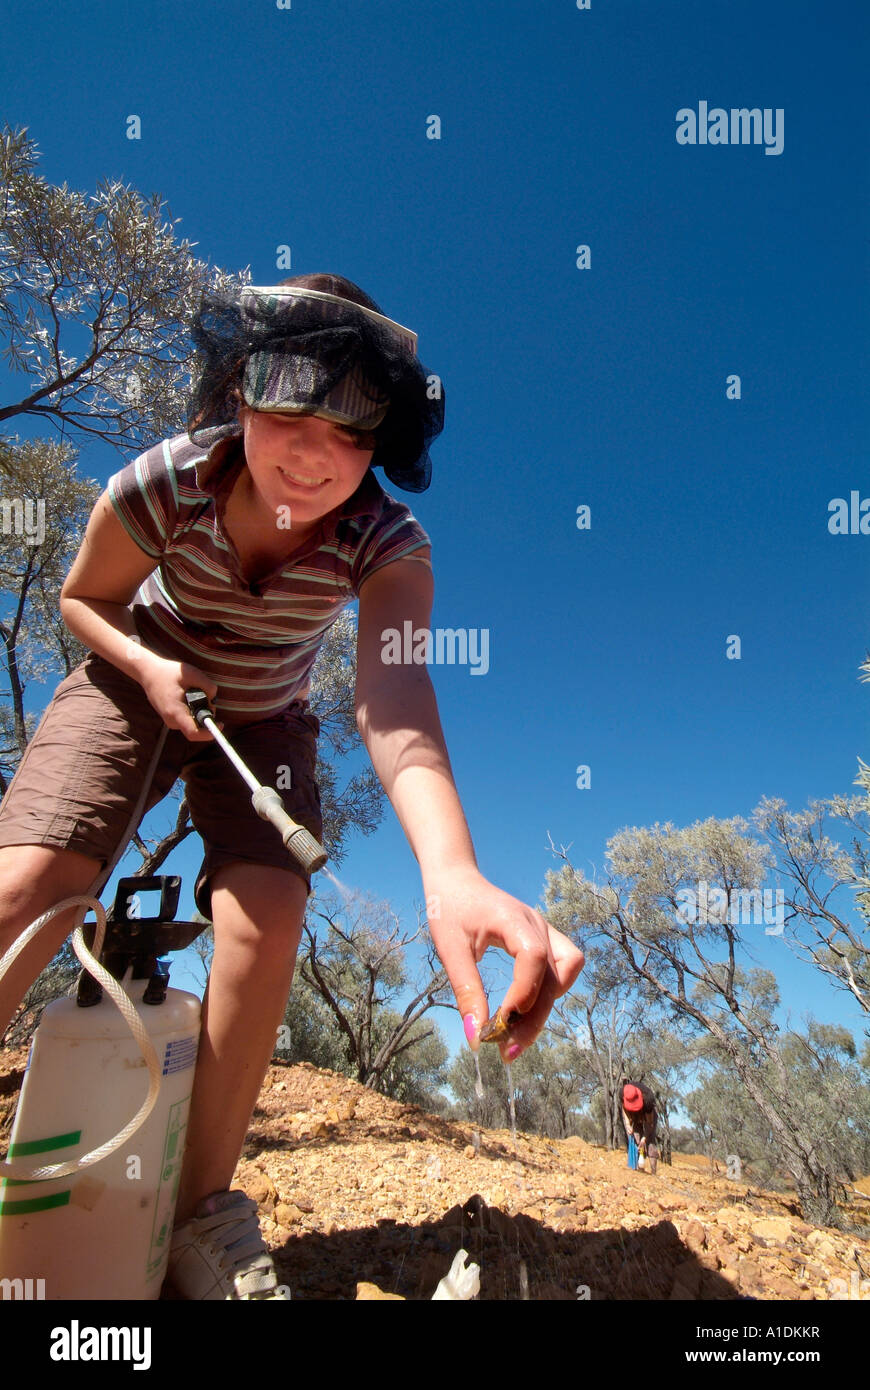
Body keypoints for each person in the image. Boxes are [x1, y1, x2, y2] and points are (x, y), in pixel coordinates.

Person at [0, 273, 585, 1299]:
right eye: (292, 394)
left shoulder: (386, 543)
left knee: (269, 915)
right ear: (239, 389)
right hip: (135, 672)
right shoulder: (164, 483)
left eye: (357, 421)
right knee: (35, 877)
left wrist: (451, 871)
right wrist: (144, 668)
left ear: (385, 438)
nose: (317, 450)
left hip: (266, 716)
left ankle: (194, 1216)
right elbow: (82, 598)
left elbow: (394, 691)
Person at [620, 1080, 659, 1175]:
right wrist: (628, 1124)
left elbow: (650, 1123)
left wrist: (645, 1137)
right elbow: (624, 1108)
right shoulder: (623, 1092)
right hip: (634, 1115)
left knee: (650, 1141)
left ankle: (653, 1172)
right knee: (636, 1138)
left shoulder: (648, 1099)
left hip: (647, 1113)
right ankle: (639, 1170)